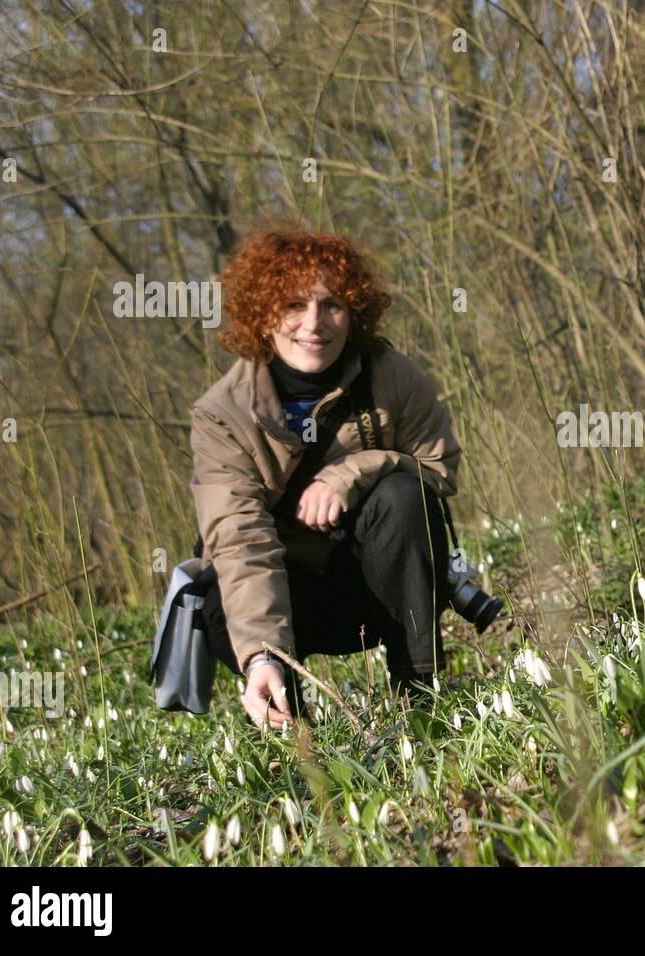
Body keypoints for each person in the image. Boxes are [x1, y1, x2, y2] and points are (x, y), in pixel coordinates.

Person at [189, 227, 462, 730]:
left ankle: (421, 702)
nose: (313, 324)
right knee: (215, 595)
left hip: (371, 587)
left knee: (406, 495)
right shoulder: (222, 415)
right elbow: (240, 541)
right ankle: (294, 731)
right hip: (284, 598)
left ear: (353, 311)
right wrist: (262, 654)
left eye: (332, 305)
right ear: (263, 314)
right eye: (293, 305)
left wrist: (354, 470)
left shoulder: (393, 378)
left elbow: (438, 469)